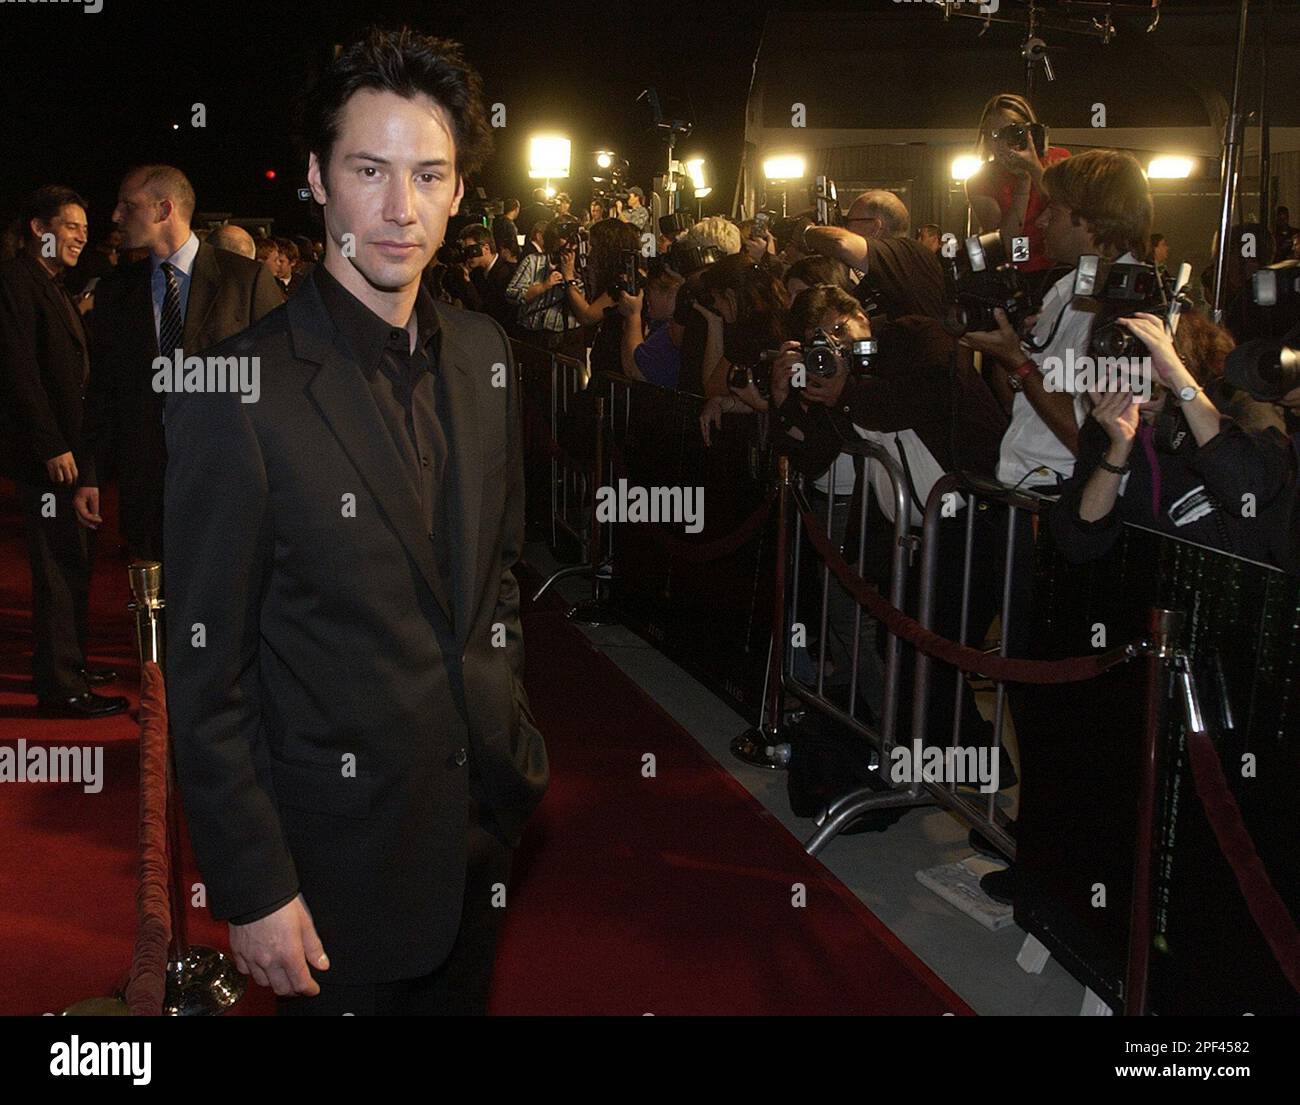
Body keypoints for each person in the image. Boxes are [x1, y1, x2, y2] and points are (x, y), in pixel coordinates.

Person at [164, 26, 547, 1017]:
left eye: (428, 175)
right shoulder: (236, 390)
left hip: (480, 830)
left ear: (459, 191)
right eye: (369, 170)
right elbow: (208, 671)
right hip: (333, 870)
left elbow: (497, 573)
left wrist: (508, 739)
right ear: (317, 180)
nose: (399, 208)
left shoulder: (484, 353)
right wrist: (253, 886)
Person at [73, 165, 282, 560]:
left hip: (231, 484)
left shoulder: (246, 280)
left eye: (127, 205)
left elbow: (279, 386)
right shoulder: (117, 290)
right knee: (159, 606)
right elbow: (105, 389)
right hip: (148, 488)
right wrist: (92, 474)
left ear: (163, 209)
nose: (115, 216)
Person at [0, 186, 128, 719]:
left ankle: (72, 662)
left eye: (83, 227)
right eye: (71, 226)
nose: (82, 236)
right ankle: (60, 685)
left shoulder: (52, 284)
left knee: (74, 559)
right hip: (45, 456)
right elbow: (18, 370)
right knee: (56, 565)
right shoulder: (14, 281)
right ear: (38, 228)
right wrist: (51, 444)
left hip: (68, 452)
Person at [964, 92, 1071, 290]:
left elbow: (1069, 206)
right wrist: (1023, 181)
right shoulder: (980, 180)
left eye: (1007, 132)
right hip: (1016, 272)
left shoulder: (1058, 160)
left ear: (1027, 131)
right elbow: (1004, 243)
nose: (999, 142)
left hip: (1061, 265)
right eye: (991, 135)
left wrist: (1034, 168)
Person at [803, 189, 947, 322]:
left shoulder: (910, 253)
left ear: (875, 227)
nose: (845, 228)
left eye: (850, 221)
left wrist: (805, 232)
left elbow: (842, 243)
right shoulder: (880, 271)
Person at [504, 217, 584, 357]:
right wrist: (543, 286)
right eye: (564, 238)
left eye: (573, 239)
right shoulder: (534, 261)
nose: (570, 244)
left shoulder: (582, 269)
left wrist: (570, 277)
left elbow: (584, 307)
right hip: (533, 337)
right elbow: (511, 294)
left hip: (566, 341)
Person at [616, 266, 684, 387]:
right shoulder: (663, 324)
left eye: (650, 290)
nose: (646, 297)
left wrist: (632, 315)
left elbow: (635, 370)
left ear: (672, 293)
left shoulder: (671, 331)